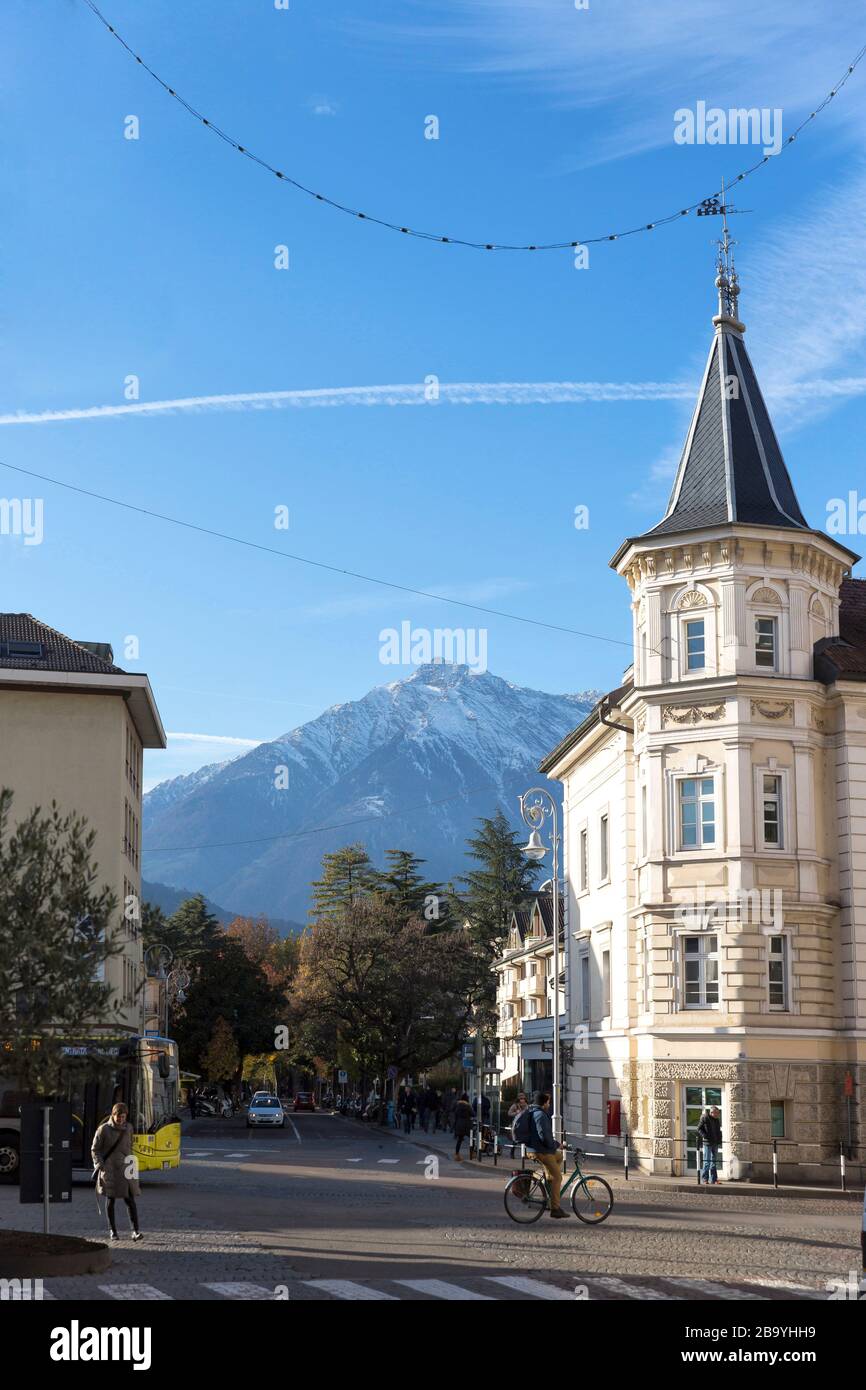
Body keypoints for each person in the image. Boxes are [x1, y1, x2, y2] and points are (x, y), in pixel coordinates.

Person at [92, 1102, 143, 1242]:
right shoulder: (103, 1130)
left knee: (130, 1200)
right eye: (119, 1117)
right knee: (111, 1199)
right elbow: (94, 1149)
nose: (121, 1119)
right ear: (113, 1115)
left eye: (123, 1117)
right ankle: (112, 1231)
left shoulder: (129, 1128)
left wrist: (132, 1164)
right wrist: (99, 1163)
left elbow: (130, 1146)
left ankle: (135, 1231)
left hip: (127, 1168)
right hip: (110, 1169)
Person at [525, 1091, 570, 1218]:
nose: (549, 1105)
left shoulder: (535, 1112)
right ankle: (555, 1208)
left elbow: (546, 1137)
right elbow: (544, 1137)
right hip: (541, 1151)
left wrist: (557, 1145)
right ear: (544, 1103)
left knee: (559, 1156)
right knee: (558, 1177)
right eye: (548, 1102)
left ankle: (549, 1181)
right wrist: (555, 1144)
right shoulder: (541, 1115)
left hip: (538, 1149)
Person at [697, 1106, 723, 1185]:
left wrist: (719, 1139)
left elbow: (718, 1131)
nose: (717, 1114)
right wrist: (705, 1136)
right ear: (712, 1112)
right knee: (707, 1161)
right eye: (716, 1113)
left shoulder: (716, 1120)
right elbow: (699, 1128)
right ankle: (705, 1179)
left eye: (718, 1113)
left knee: (713, 1162)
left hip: (715, 1143)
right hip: (708, 1143)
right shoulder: (705, 1118)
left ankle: (714, 1179)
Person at [453, 1092, 473, 1161]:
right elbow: (472, 1114)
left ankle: (457, 1154)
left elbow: (455, 1114)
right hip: (467, 1124)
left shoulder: (458, 1105)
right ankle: (472, 1153)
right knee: (472, 1138)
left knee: (459, 1140)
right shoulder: (468, 1106)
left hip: (459, 1124)